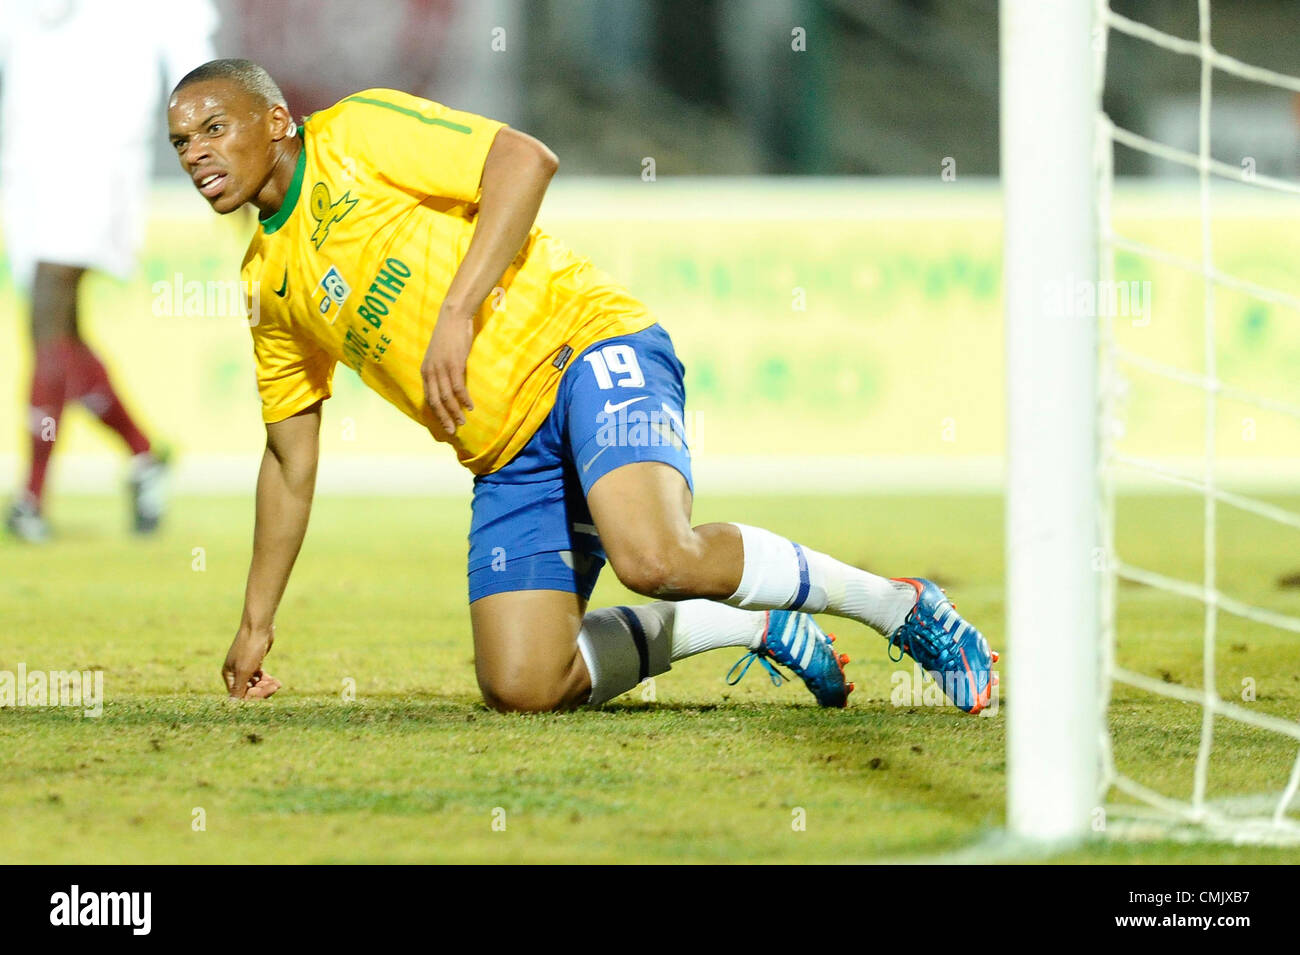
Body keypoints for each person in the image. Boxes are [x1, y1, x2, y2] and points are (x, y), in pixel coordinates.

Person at [166, 58, 997, 713]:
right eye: (181, 143)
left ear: (276, 121)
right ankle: (744, 624)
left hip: (585, 349)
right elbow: (287, 459)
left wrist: (459, 313)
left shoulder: (357, 132)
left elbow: (525, 161)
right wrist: (254, 622)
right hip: (507, 453)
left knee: (655, 556)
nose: (197, 152)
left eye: (213, 127)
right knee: (526, 684)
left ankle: (898, 605)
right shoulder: (267, 282)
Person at [1, 0, 218, 541]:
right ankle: (145, 455)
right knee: (58, 331)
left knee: (50, 305)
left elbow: (193, 58)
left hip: (99, 154)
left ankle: (31, 497)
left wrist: (222, 149)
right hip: (27, 154)